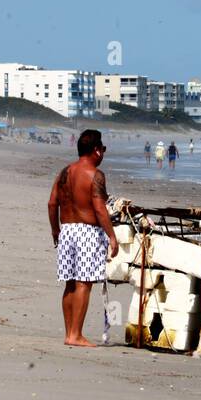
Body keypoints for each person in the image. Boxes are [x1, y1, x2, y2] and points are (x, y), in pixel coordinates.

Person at [49, 130, 119, 347]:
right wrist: (112, 236)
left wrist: (55, 230)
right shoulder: (95, 175)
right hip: (88, 232)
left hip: (67, 229)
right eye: (103, 149)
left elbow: (52, 203)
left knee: (70, 283)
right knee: (84, 283)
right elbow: (99, 208)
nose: (103, 153)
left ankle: (69, 332)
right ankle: (76, 335)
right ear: (96, 150)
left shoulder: (64, 172)